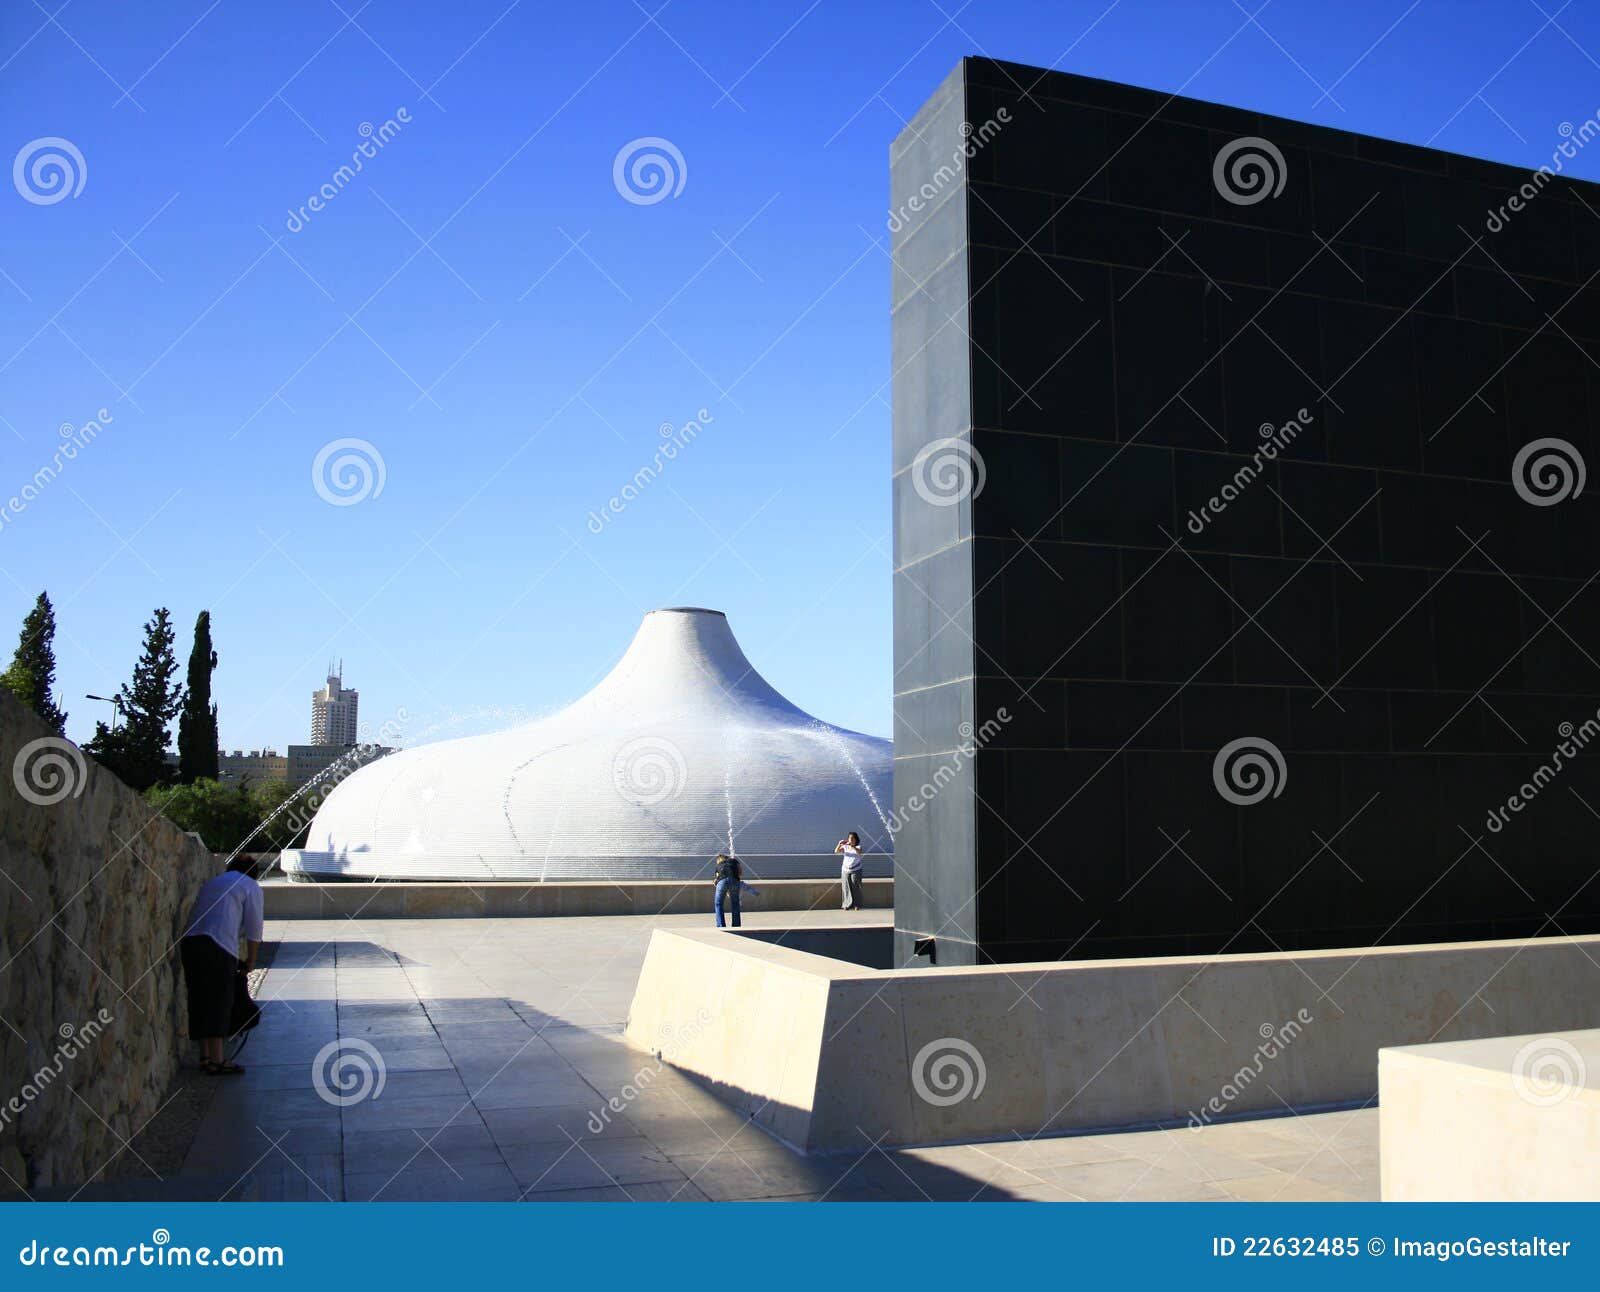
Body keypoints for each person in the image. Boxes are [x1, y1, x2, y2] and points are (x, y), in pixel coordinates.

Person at [179, 857, 263, 1075]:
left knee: (199, 997)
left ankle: (205, 1056)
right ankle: (218, 1060)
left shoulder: (214, 882)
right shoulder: (250, 885)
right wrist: (251, 960)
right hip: (218, 944)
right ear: (254, 873)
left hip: (190, 942)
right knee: (219, 1000)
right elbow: (254, 929)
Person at [712, 853, 758, 928]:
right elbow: (740, 872)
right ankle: (736, 925)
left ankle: (721, 925)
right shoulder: (734, 861)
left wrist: (718, 884)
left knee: (718, 904)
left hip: (722, 881)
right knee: (735, 904)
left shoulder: (718, 865)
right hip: (734, 880)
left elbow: (718, 878)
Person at [836, 831, 865, 910]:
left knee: (856, 886)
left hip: (856, 869)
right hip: (845, 869)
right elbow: (836, 851)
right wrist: (839, 844)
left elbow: (859, 853)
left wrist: (853, 847)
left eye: (852, 838)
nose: (851, 840)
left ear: (856, 839)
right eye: (849, 838)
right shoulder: (845, 847)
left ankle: (857, 905)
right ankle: (846, 904)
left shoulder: (858, 847)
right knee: (846, 887)